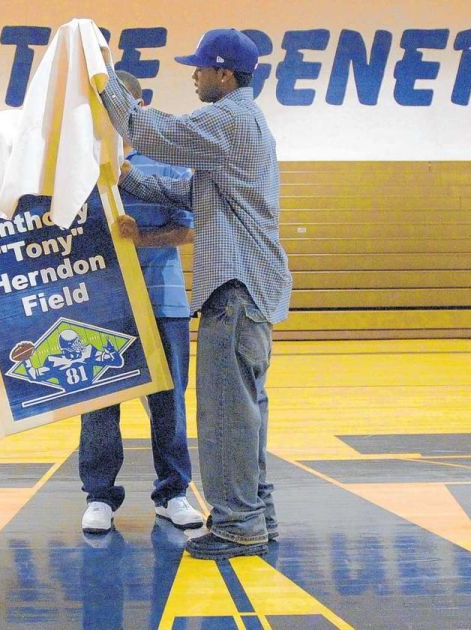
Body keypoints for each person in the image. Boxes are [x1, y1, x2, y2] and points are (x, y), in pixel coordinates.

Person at [99, 30, 292, 559]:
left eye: (200, 69)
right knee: (246, 412)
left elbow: (151, 130)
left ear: (223, 75)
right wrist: (127, 177)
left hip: (236, 289)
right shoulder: (248, 123)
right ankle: (256, 513)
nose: (194, 76)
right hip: (251, 289)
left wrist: (104, 83)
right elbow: (188, 190)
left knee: (227, 414)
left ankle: (236, 525)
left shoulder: (226, 118)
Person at [79, 72, 204, 535]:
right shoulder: (78, 163)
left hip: (162, 300)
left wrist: (141, 238)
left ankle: (172, 492)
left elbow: (188, 229)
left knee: (168, 401)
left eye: (120, 105)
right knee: (100, 402)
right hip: (101, 303)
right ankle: (99, 496)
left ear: (140, 104)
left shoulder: (168, 158)